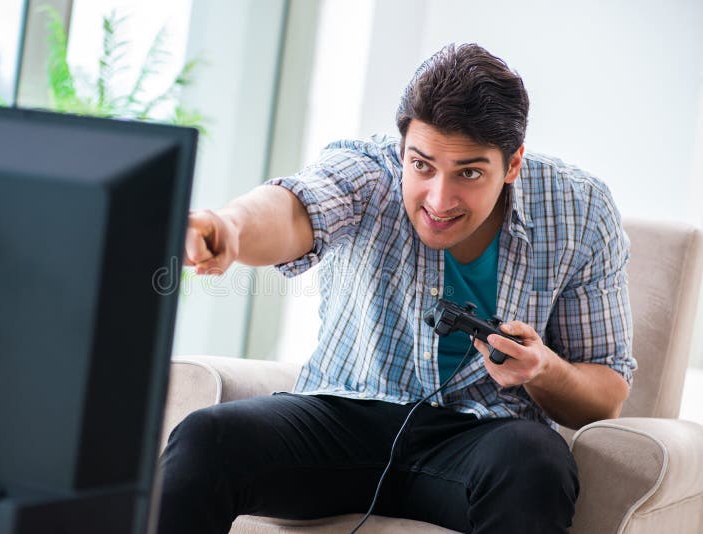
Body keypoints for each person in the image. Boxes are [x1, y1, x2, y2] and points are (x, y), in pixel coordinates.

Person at [157, 43, 636, 534]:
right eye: (422, 165)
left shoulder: (580, 209)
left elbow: (606, 398)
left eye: (469, 173)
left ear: (512, 165)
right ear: (402, 146)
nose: (439, 200)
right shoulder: (369, 170)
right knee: (206, 440)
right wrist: (231, 227)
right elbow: (296, 208)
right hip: (345, 417)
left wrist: (542, 369)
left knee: (535, 462)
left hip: (481, 440)